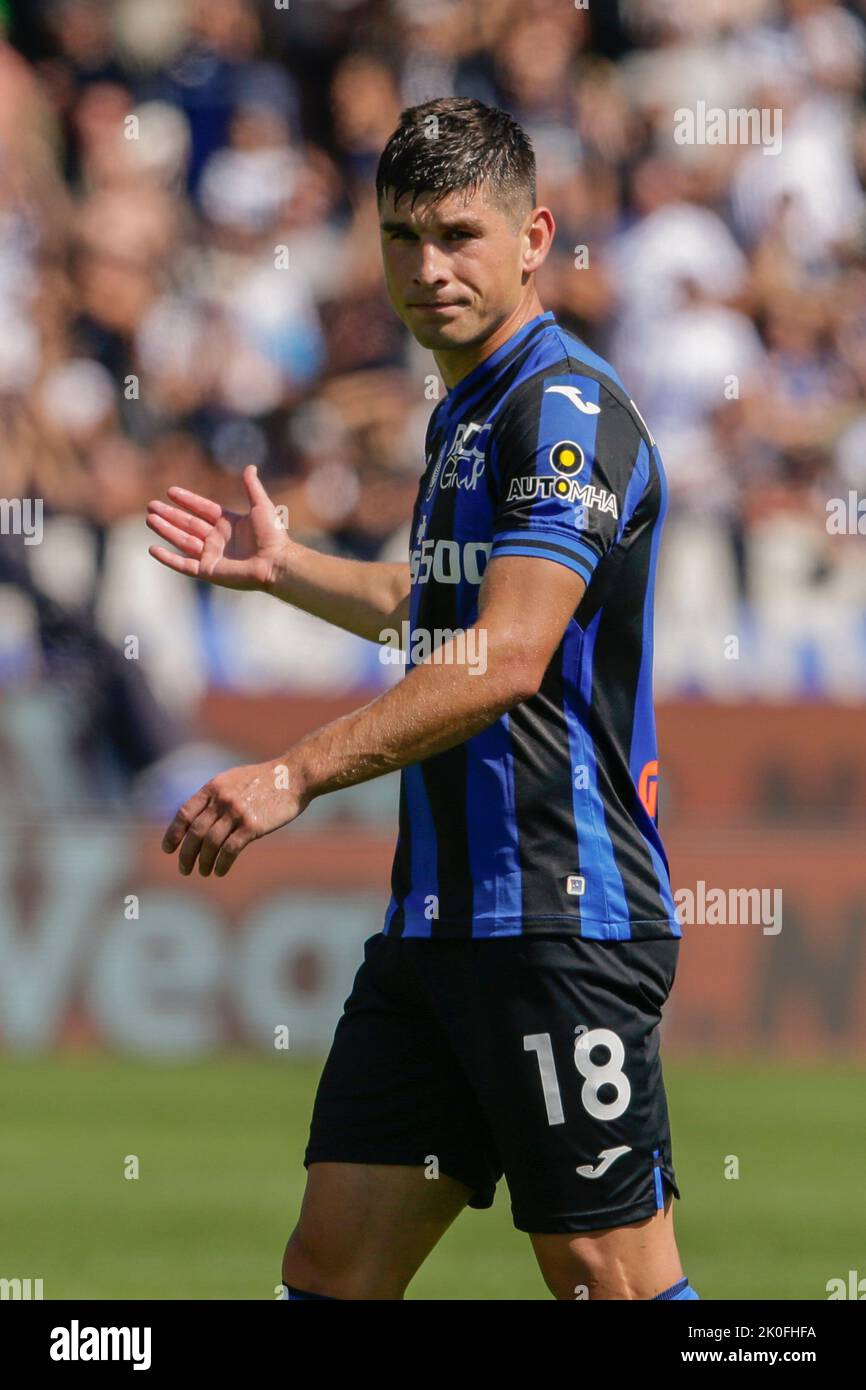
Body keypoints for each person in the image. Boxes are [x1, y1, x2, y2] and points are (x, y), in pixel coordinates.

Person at [146, 96, 698, 1302]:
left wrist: (289, 770)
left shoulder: (561, 411)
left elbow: (503, 654)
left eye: (458, 234)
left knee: (607, 1278)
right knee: (332, 1265)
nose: (428, 267)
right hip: (434, 928)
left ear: (534, 235)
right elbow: (435, 602)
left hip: (557, 917)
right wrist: (285, 570)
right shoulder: (464, 409)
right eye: (402, 237)